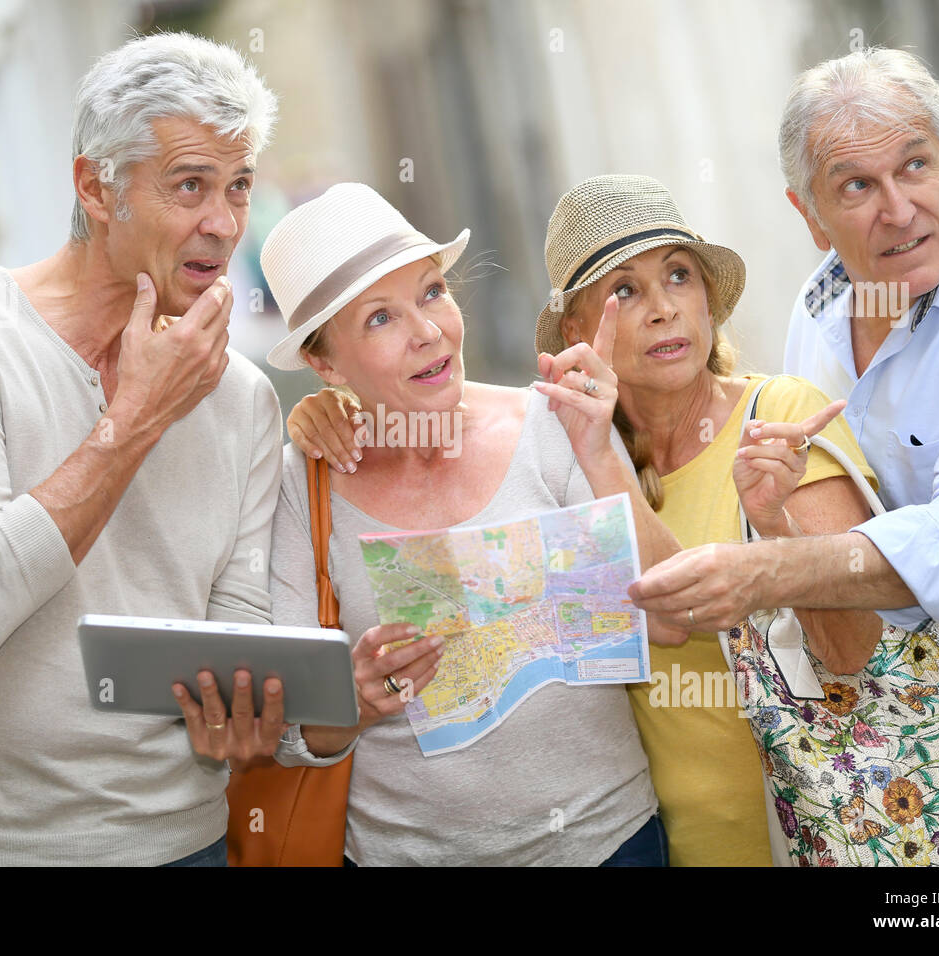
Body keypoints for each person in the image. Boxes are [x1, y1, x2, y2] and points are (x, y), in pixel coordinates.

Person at [285, 176, 883, 865]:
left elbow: (835, 644)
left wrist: (774, 529)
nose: (662, 310)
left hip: (804, 820)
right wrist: (329, 409)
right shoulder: (575, 430)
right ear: (575, 332)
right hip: (673, 835)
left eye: (680, 276)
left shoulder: (765, 420)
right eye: (624, 290)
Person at [0, 33, 286, 866]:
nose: (224, 224)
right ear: (96, 186)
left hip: (181, 843)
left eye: (237, 187)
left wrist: (245, 718)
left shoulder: (242, 397)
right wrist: (139, 416)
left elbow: (234, 634)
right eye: (189, 185)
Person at [628, 47, 939, 741]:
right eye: (855, 185)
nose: (898, 209)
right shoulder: (820, 305)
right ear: (810, 215)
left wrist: (771, 569)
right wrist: (779, 525)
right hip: (907, 752)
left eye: (916, 165)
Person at [264, 182, 684, 866]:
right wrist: (356, 700)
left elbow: (675, 618)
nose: (428, 331)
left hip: (607, 843)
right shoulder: (298, 487)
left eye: (432, 291)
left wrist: (600, 456)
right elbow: (285, 727)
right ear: (322, 363)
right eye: (380, 318)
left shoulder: (554, 426)